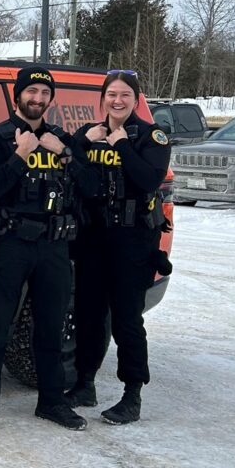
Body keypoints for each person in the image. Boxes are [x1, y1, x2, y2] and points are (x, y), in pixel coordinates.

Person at [0, 65, 91, 431]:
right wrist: (20, 154)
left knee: (50, 328)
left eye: (44, 94)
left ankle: (52, 402)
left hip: (53, 246)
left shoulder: (60, 139)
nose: (37, 99)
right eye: (31, 92)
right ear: (17, 95)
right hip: (9, 244)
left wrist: (66, 154)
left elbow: (91, 187)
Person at [66, 69, 172, 424]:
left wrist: (122, 144)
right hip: (92, 238)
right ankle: (85, 382)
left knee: (127, 319)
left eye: (125, 94)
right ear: (103, 98)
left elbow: (148, 179)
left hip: (132, 240)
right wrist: (82, 144)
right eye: (112, 94)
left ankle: (132, 395)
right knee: (88, 314)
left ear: (136, 98)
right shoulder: (89, 133)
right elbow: (70, 170)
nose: (118, 100)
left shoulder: (151, 136)